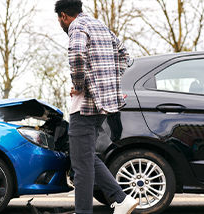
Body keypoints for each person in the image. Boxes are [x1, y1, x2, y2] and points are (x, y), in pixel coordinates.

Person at [54, 0, 138, 214]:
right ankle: (120, 199)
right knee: (85, 156)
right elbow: (124, 55)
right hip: (103, 104)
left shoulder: (77, 27)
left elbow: (76, 55)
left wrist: (80, 86)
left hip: (85, 106)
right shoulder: (100, 26)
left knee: (80, 166)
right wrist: (108, 84)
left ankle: (84, 211)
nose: (60, 24)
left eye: (59, 20)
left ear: (64, 15)